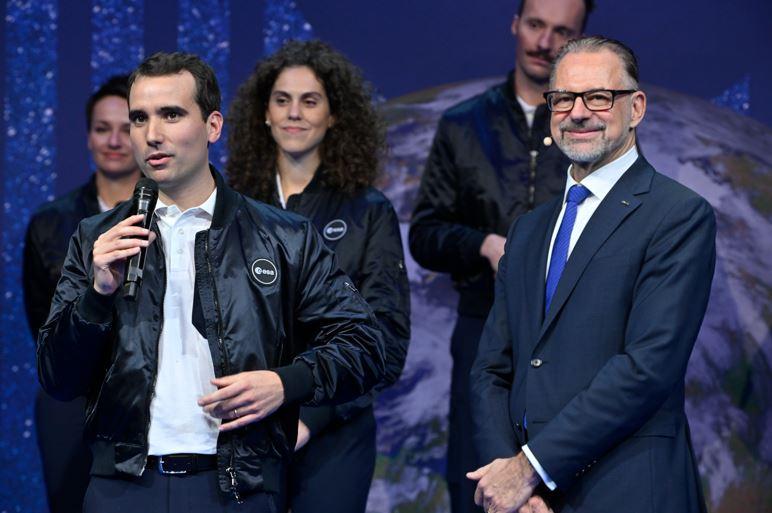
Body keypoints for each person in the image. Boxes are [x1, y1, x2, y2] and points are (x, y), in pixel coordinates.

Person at [36, 51, 386, 513]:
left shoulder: (282, 236)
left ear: (213, 127)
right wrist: (97, 296)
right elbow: (57, 378)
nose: (152, 135)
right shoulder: (97, 237)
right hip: (121, 487)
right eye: (139, 118)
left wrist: (286, 383)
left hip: (234, 488)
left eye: (172, 114)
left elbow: (365, 344)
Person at [468, 36, 714, 513]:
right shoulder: (528, 230)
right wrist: (511, 479)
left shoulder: (679, 215)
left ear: (636, 107)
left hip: (628, 491)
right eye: (563, 98)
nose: (578, 112)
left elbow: (647, 368)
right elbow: (490, 369)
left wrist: (528, 468)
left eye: (599, 96)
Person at [408, 1, 593, 511]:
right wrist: (483, 245)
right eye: (535, 25)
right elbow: (425, 233)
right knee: (479, 485)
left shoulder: (591, 129)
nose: (543, 42)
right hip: (482, 331)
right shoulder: (463, 125)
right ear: (515, 25)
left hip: (577, 340)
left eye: (561, 31)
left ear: (578, 38)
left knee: (569, 484)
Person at [227, 39, 410, 513]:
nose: (294, 113)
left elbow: (385, 340)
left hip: (335, 431)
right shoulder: (228, 208)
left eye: (310, 101)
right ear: (263, 113)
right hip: (245, 428)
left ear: (333, 116)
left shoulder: (369, 211)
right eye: (282, 100)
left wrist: (314, 415)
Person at [23, 74, 141, 513]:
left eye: (126, 128)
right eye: (101, 128)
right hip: (71, 395)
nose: (114, 140)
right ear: (87, 137)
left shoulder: (173, 218)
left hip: (147, 391)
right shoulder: (50, 223)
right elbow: (44, 323)